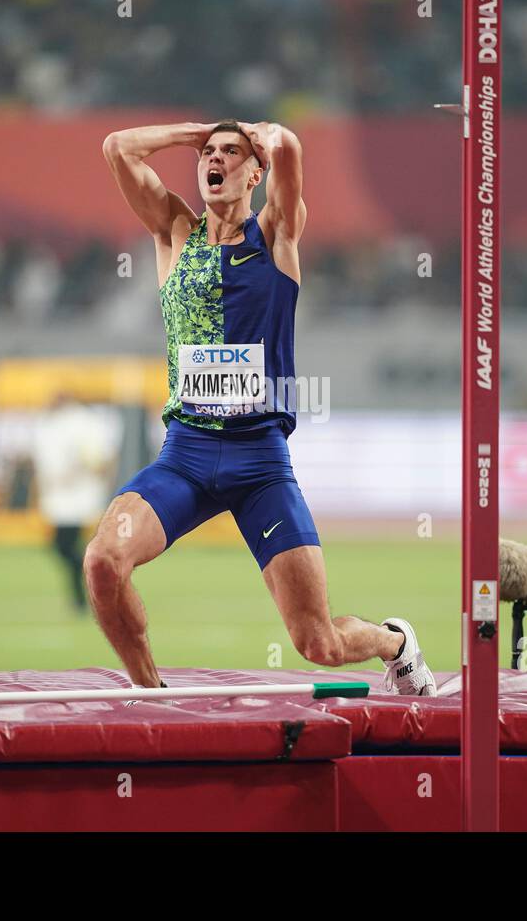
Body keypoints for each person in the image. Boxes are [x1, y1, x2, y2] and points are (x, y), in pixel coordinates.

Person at [87, 118, 435, 694]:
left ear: (254, 174)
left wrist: (265, 135)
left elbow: (290, 149)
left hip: (259, 466)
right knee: (102, 561)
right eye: (208, 154)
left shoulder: (276, 235)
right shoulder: (175, 231)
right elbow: (116, 147)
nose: (214, 159)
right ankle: (151, 694)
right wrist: (198, 131)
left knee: (319, 643)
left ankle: (395, 641)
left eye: (231, 152)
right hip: (185, 458)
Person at [33, 392, 119, 611]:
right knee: (67, 546)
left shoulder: (82, 423)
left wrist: (74, 473)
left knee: (63, 545)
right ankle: (87, 592)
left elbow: (96, 459)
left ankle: (88, 590)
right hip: (63, 497)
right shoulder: (54, 424)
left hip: (77, 497)